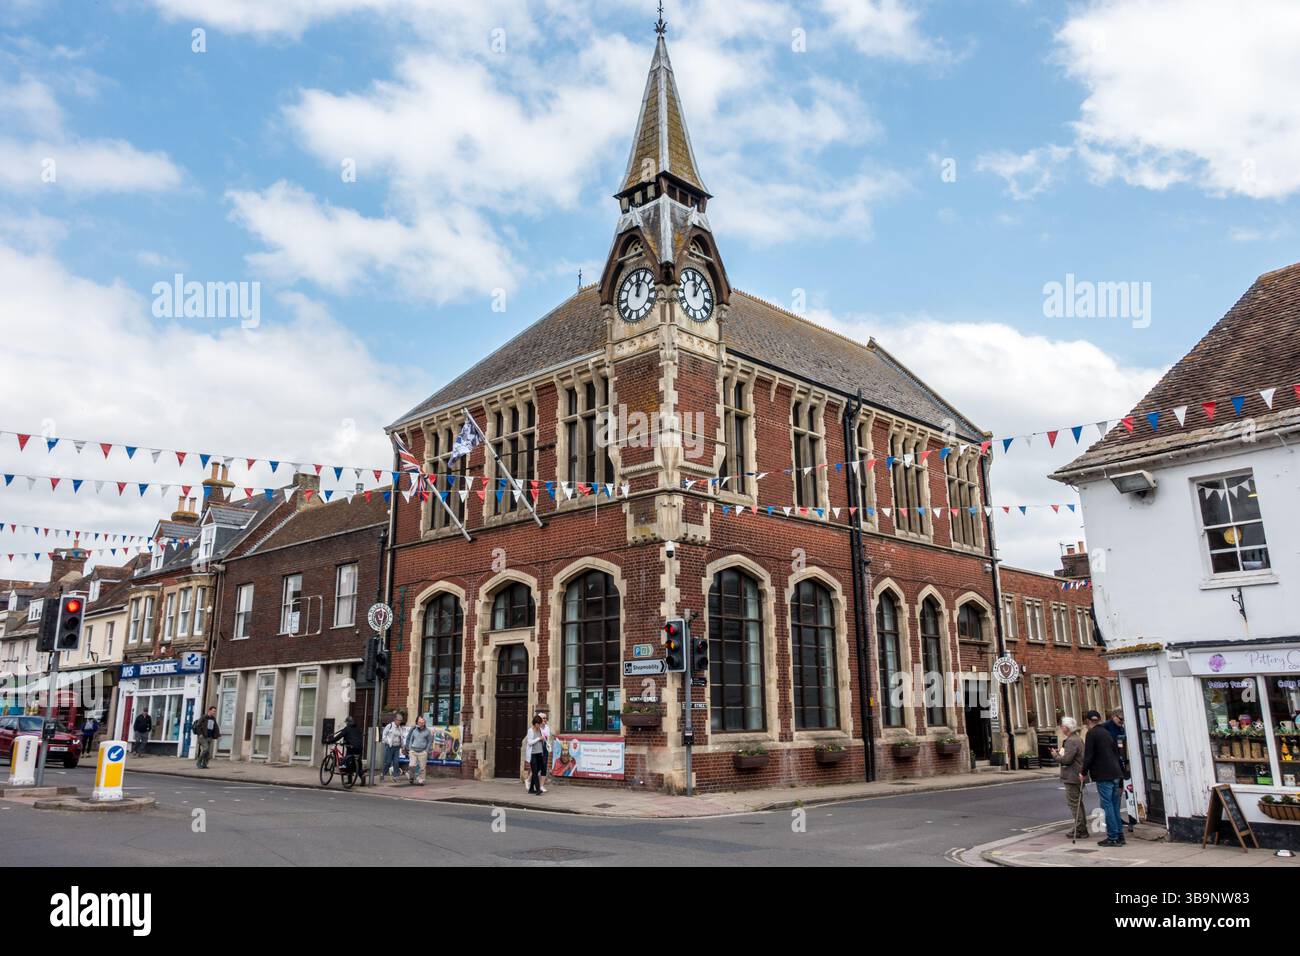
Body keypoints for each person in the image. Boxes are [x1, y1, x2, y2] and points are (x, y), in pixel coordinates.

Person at [1082, 709, 1126, 847]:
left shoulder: (1091, 733)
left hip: (1104, 775)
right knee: (1114, 806)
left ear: (1087, 722)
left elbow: (1088, 756)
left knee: (1107, 806)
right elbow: (1116, 753)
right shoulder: (1107, 733)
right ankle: (1119, 835)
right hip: (1116, 773)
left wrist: (1083, 773)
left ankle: (1112, 837)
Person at [1050, 717, 1087, 838]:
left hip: (1073, 776)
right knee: (1077, 803)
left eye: (1062, 726)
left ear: (1066, 728)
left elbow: (1066, 760)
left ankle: (1080, 828)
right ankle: (1081, 827)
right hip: (1077, 775)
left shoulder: (1071, 741)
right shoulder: (1077, 739)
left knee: (1074, 803)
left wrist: (1056, 756)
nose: (1061, 728)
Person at [328, 716, 366, 784]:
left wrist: (331, 740)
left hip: (351, 748)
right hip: (359, 748)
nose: (346, 724)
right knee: (358, 763)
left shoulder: (347, 729)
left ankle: (349, 780)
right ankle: (362, 774)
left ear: (348, 722)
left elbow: (339, 736)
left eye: (346, 722)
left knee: (347, 763)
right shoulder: (358, 728)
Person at [523, 716, 547, 795]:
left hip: (539, 753)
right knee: (535, 771)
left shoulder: (540, 730)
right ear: (535, 723)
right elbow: (529, 742)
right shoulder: (530, 730)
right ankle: (537, 789)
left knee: (537, 770)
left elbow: (541, 739)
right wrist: (538, 739)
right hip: (532, 754)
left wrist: (543, 739)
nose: (540, 725)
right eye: (539, 724)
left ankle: (530, 789)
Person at [380, 711, 407, 782]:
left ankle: (395, 777)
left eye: (401, 721)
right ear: (395, 720)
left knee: (396, 762)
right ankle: (382, 774)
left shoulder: (400, 728)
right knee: (388, 762)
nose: (400, 722)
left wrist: (403, 746)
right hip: (389, 747)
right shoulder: (390, 726)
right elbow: (384, 736)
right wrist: (387, 742)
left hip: (397, 747)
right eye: (399, 720)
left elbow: (401, 738)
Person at [405, 716, 432, 785]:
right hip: (413, 751)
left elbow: (429, 741)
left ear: (425, 723)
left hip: (422, 751)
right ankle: (411, 777)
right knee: (412, 765)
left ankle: (421, 780)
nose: (421, 724)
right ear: (417, 722)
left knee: (422, 767)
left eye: (423, 722)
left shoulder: (428, 731)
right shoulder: (414, 730)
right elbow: (411, 739)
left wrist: (426, 751)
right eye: (420, 722)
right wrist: (410, 748)